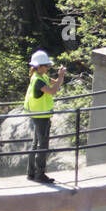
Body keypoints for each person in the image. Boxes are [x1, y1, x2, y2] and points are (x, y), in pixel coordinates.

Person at [24, 50, 66, 184]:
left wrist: (60, 77)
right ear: (40, 66)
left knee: (36, 144)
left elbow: (54, 83)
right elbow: (53, 91)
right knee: (42, 145)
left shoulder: (40, 77)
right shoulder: (38, 81)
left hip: (39, 115)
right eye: (46, 65)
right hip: (41, 116)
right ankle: (39, 174)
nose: (48, 67)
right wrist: (60, 77)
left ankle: (31, 173)